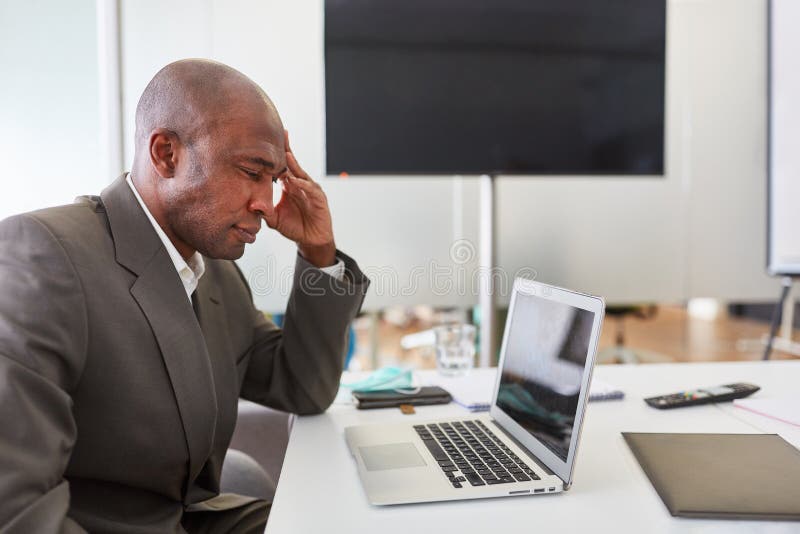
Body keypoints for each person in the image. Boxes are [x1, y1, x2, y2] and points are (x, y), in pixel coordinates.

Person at [0, 59, 369, 533]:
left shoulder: (213, 273)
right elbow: (15, 509)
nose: (266, 203)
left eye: (272, 180)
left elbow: (302, 386)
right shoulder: (43, 255)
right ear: (166, 154)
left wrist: (318, 253)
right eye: (251, 172)